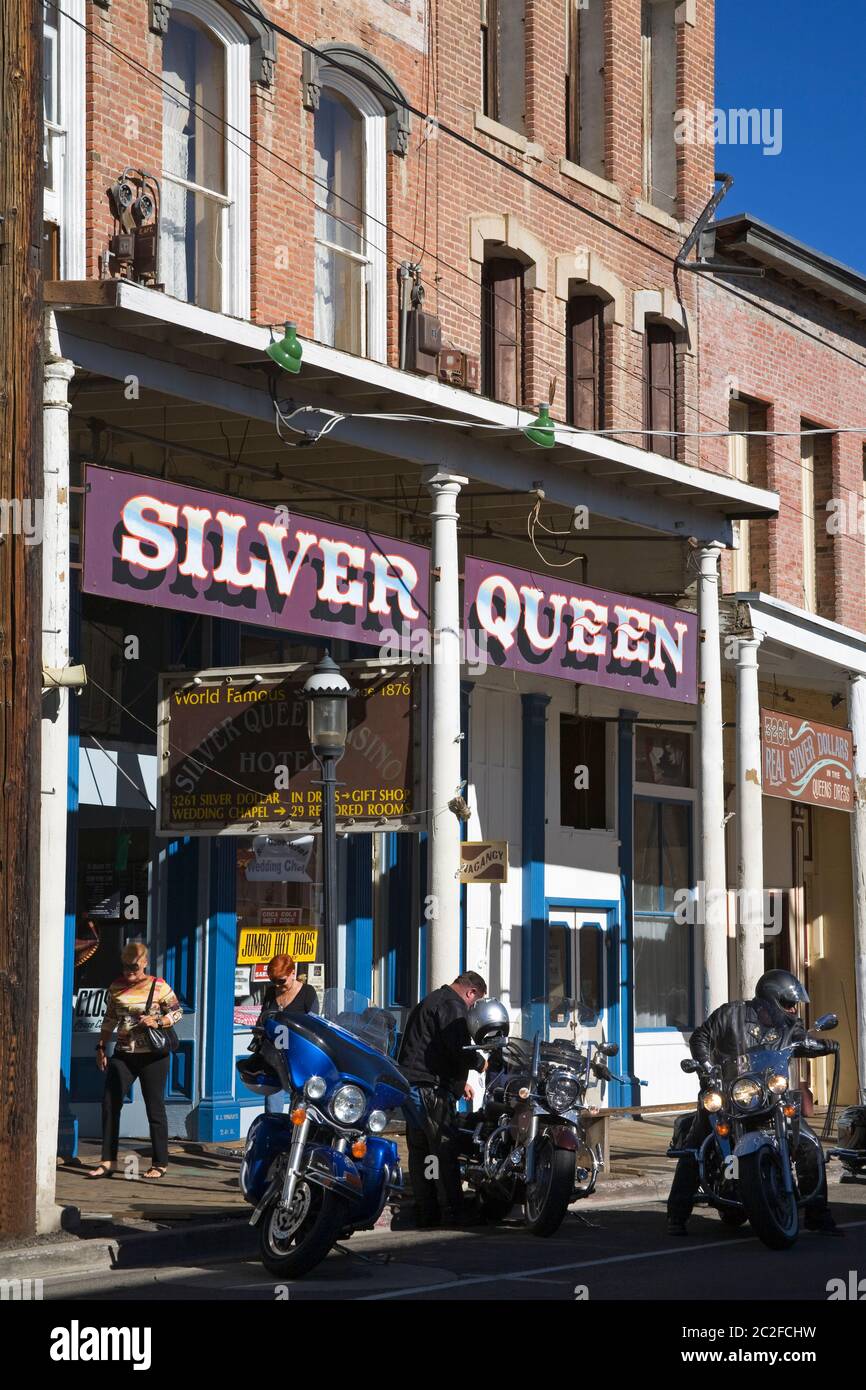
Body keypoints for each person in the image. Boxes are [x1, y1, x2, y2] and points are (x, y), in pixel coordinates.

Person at [667, 968, 841, 1236]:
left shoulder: (789, 1025)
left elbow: (801, 1042)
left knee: (808, 1144)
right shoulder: (731, 1014)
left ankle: (818, 1214)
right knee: (696, 1144)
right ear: (771, 999)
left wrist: (823, 1044)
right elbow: (701, 1036)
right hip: (727, 1092)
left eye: (794, 1005)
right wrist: (706, 1066)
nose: (793, 1009)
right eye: (788, 1003)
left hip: (769, 1094)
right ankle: (676, 1215)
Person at [397, 970, 488, 1229]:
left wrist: (461, 1084)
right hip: (430, 1088)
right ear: (470, 992)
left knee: (421, 1150)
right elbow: (458, 1048)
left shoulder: (432, 999)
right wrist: (479, 1062)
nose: (472, 1006)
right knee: (443, 1148)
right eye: (475, 1001)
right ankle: (453, 1211)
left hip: (414, 1084)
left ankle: (428, 1210)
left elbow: (433, 1047)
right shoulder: (453, 1005)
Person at [86, 941, 183, 1181]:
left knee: (154, 1108)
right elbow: (109, 1019)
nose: (129, 973)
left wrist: (159, 1022)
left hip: (153, 1056)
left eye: (134, 968)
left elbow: (177, 1012)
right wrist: (100, 1046)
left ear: (145, 963)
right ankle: (107, 1161)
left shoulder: (158, 986)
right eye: (125, 968)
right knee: (109, 1104)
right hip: (123, 1053)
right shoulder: (116, 986)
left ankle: (160, 1162)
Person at [257, 954, 317, 1115]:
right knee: (272, 1108)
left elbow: (314, 1025)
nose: (278, 985)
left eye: (281, 980)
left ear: (293, 973)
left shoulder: (307, 993)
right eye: (273, 981)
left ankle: (294, 1138)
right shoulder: (271, 993)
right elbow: (262, 1020)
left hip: (299, 1058)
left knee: (298, 1105)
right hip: (275, 1058)